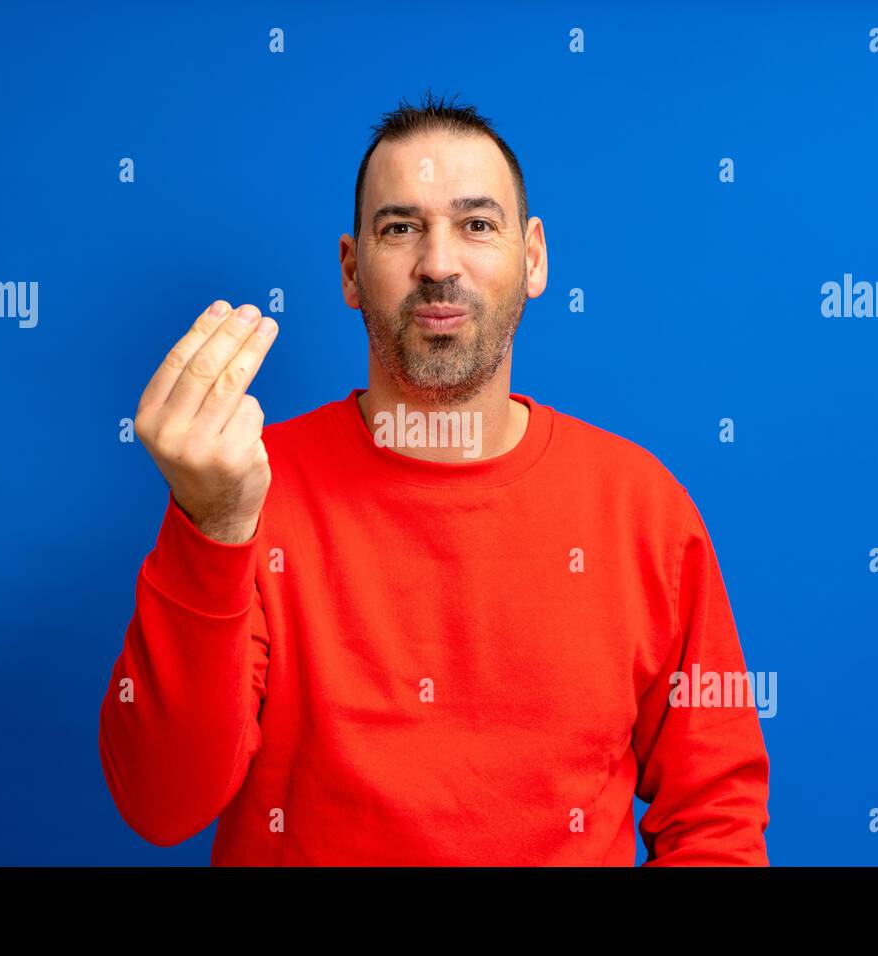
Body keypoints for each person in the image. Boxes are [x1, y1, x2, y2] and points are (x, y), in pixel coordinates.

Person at [98, 90, 770, 866]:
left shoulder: (642, 507)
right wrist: (209, 528)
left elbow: (715, 816)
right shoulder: (247, 492)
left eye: (477, 225)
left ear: (535, 257)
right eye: (401, 228)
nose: (439, 264)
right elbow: (160, 803)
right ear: (351, 270)